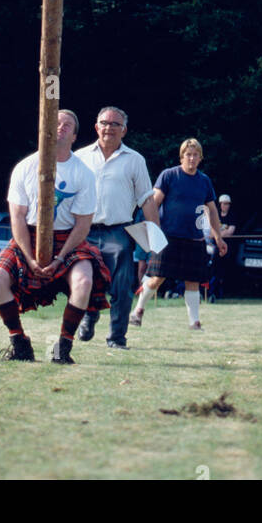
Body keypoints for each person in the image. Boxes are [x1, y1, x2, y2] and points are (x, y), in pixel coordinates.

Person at [0, 109, 111, 363]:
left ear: (75, 136)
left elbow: (83, 225)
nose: (61, 127)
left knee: (84, 281)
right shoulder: (25, 168)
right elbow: (17, 218)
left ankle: (62, 348)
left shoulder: (83, 173)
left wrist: (61, 257)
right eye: (56, 122)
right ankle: (19, 343)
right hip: (28, 237)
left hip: (68, 239)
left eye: (68, 125)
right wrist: (30, 257)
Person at [74, 106, 160, 349]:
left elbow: (147, 199)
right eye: (105, 123)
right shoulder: (80, 157)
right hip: (84, 230)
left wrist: (155, 238)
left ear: (124, 130)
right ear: (96, 127)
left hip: (119, 232)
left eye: (115, 124)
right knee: (84, 282)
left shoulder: (135, 160)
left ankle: (116, 339)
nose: (109, 128)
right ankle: (90, 316)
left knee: (122, 286)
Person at [130, 137, 226, 333]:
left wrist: (218, 237)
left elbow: (213, 211)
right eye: (188, 155)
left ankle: (195, 323)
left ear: (200, 158)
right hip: (168, 237)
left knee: (193, 281)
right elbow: (154, 203)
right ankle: (138, 311)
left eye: (195, 155)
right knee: (157, 278)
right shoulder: (168, 175)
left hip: (194, 239)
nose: (191, 159)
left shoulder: (204, 181)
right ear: (182, 157)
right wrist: (150, 230)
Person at [210, 193, 237, 300]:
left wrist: (217, 234)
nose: (226, 206)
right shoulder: (215, 215)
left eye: (228, 204)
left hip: (227, 247)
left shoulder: (232, 216)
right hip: (214, 247)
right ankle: (211, 290)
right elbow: (210, 232)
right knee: (213, 269)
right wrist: (220, 233)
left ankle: (220, 292)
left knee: (223, 270)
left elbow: (230, 232)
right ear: (220, 204)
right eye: (224, 204)